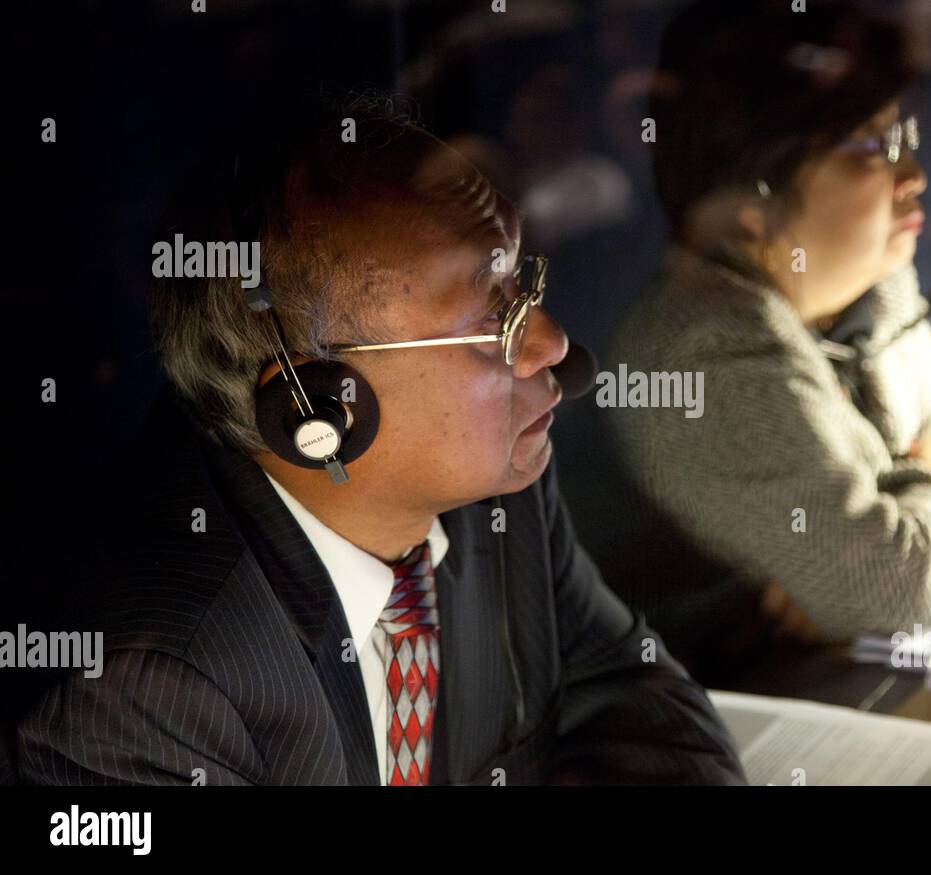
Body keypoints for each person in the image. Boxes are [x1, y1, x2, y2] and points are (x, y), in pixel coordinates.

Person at [15, 94, 744, 786]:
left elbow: (628, 689)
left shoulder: (498, 486)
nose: (551, 344)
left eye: (523, 285)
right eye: (495, 320)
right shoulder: (141, 688)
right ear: (320, 407)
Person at [595, 0, 931, 675]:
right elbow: (885, 581)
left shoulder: (867, 289)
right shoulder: (704, 350)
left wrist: (894, 527)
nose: (913, 174)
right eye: (870, 147)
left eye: (904, 138)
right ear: (752, 206)